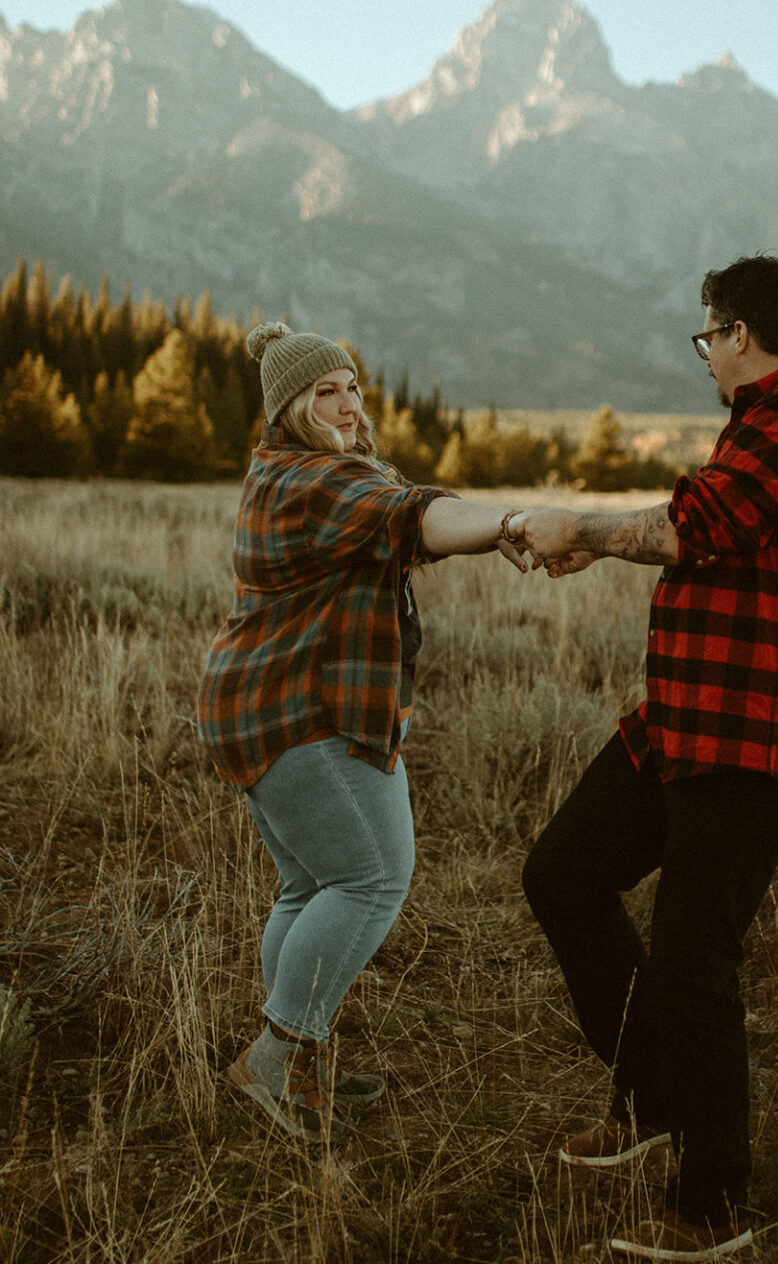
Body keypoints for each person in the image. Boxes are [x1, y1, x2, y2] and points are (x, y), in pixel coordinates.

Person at [508, 255, 778, 1263]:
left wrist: (583, 525)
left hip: (756, 728)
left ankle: (711, 1206)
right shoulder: (774, 413)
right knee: (564, 875)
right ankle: (651, 1101)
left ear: (737, 333)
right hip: (687, 720)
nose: (705, 356)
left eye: (706, 337)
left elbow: (702, 521)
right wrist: (609, 543)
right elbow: (713, 525)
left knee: (691, 961)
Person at [197, 322, 527, 1141]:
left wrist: (487, 529)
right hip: (302, 712)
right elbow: (411, 515)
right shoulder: (312, 481)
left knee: (310, 886)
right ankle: (275, 1059)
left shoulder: (302, 474)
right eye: (324, 393)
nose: (347, 404)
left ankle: (296, 1066)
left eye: (351, 387)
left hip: (257, 705)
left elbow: (395, 514)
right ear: (288, 409)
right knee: (371, 879)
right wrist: (517, 520)